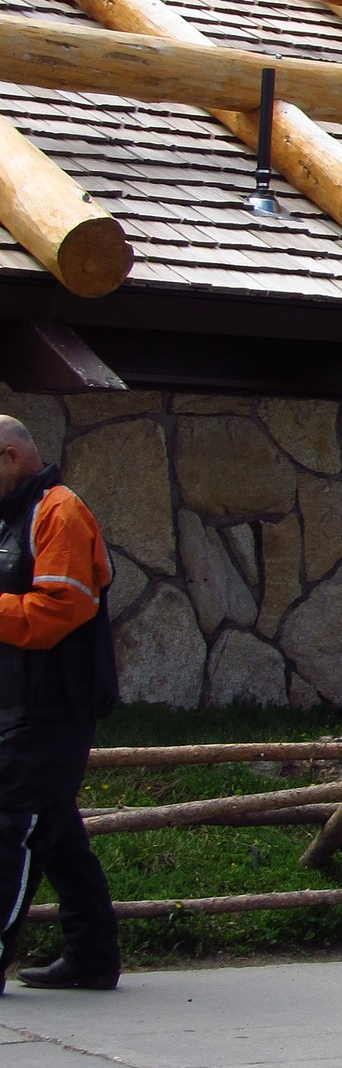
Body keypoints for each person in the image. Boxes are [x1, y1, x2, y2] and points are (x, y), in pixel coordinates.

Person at [0, 415, 120, 991]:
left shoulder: (59, 512)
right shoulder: (9, 516)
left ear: (9, 457)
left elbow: (55, 614)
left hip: (56, 702)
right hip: (16, 701)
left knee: (12, 825)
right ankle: (93, 956)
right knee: (54, 827)